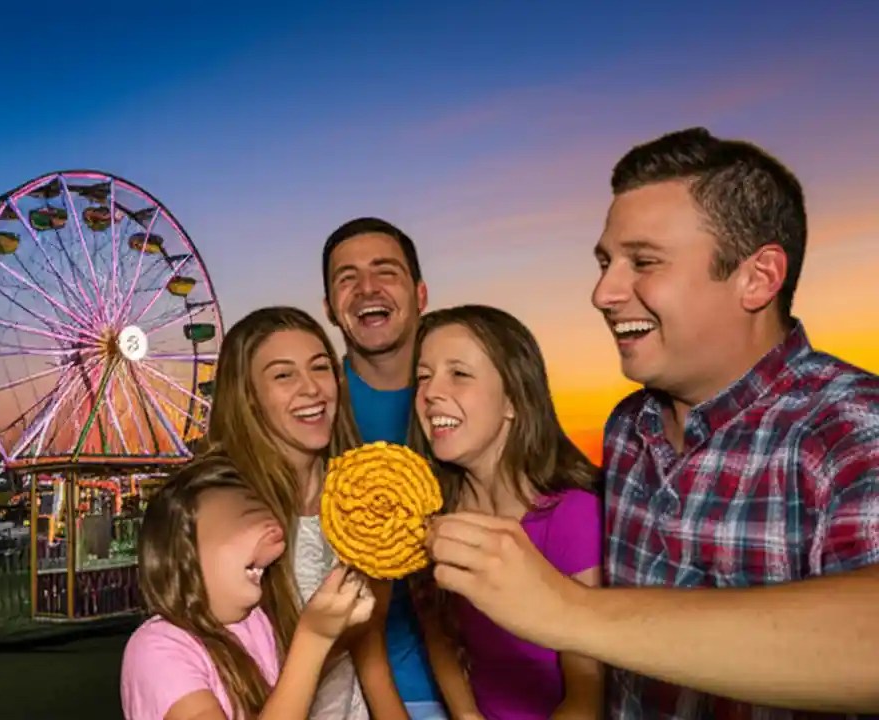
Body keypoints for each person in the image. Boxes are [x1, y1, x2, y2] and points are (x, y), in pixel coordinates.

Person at [425, 127, 879, 716]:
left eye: (643, 261)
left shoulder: (848, 427)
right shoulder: (626, 427)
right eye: (605, 262)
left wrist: (567, 611)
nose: (603, 292)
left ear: (758, 277)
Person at [409, 305, 602, 719]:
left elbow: (587, 698)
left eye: (458, 373)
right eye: (423, 376)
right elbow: (438, 634)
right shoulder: (433, 517)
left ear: (513, 400)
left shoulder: (573, 517)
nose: (429, 393)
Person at [120, 454, 376, 719]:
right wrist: (314, 638)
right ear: (185, 552)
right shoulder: (156, 649)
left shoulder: (257, 622)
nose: (275, 536)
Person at [205, 305, 368, 719]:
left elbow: (371, 651)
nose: (312, 388)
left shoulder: (362, 500)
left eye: (320, 368)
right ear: (248, 397)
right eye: (283, 375)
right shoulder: (220, 517)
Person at [321, 217, 439, 719]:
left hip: (481, 683)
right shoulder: (315, 408)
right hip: (342, 688)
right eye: (346, 278)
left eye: (384, 272)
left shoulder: (466, 392)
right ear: (330, 308)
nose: (366, 287)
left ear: (420, 293)